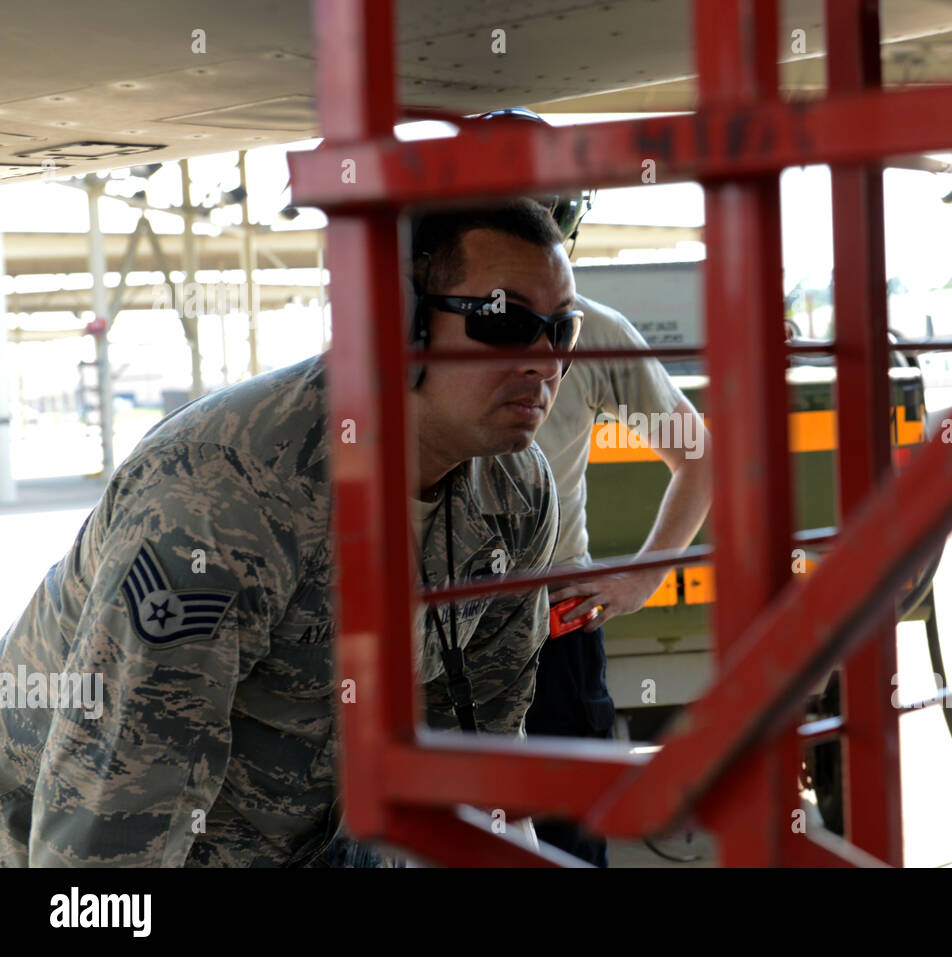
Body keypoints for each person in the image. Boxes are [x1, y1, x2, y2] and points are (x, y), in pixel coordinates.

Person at [0, 199, 576, 866]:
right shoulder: (224, 495)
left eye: (562, 330)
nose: (544, 361)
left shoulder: (516, 490)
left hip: (308, 832)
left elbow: (479, 743)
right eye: (506, 321)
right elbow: (112, 825)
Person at [528, 291, 713, 868]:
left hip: (554, 636)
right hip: (436, 641)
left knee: (570, 841)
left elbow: (700, 458)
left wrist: (639, 580)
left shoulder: (594, 331)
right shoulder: (409, 323)